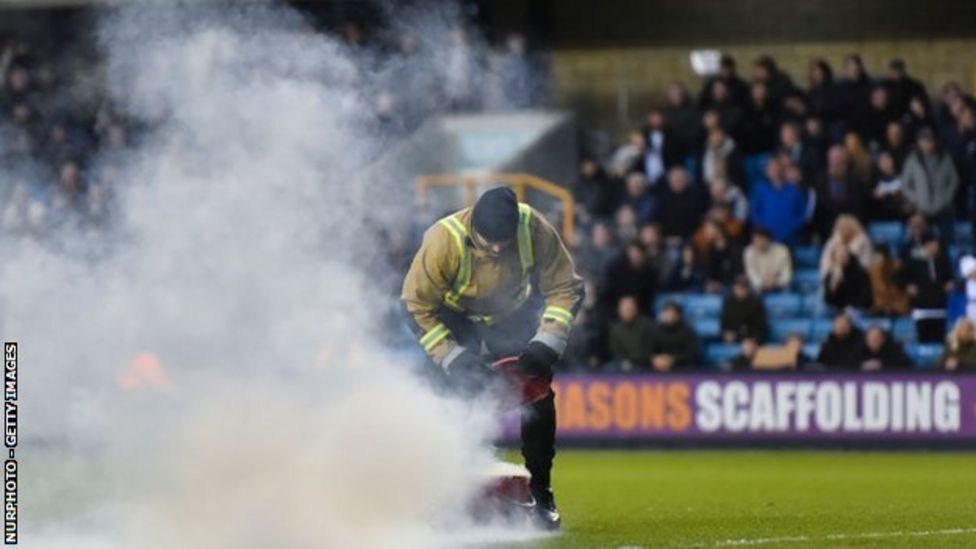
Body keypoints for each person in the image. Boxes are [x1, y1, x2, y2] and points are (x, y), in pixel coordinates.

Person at [401, 187, 583, 529]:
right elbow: (414, 306)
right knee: (446, 404)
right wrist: (452, 356)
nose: (498, 248)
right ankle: (444, 496)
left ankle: (541, 494)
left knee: (539, 400)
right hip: (454, 318)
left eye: (505, 241)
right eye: (489, 242)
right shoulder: (444, 240)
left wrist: (546, 343)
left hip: (511, 316)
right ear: (473, 228)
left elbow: (565, 288)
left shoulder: (535, 229)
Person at [901, 128, 960, 242]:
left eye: (929, 140)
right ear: (919, 143)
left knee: (947, 241)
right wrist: (916, 198)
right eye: (923, 140)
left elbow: (954, 180)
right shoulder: (913, 159)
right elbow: (905, 184)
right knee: (920, 241)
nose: (927, 143)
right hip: (921, 209)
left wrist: (946, 198)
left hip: (943, 209)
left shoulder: (944, 157)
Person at [896, 231, 953, 342]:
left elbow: (950, 277)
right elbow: (897, 277)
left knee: (940, 339)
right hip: (921, 305)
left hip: (939, 305)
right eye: (933, 244)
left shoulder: (942, 261)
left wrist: (950, 283)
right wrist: (907, 286)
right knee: (923, 338)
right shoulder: (913, 261)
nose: (936, 247)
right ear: (925, 245)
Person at [750, 156, 809, 245]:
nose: (774, 170)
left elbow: (802, 213)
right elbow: (754, 212)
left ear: (781, 169)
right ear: (766, 171)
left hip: (791, 239)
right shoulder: (760, 189)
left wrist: (791, 228)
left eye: (776, 167)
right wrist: (763, 230)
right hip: (767, 241)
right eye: (770, 168)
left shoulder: (793, 189)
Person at [600, 241, 657, 315]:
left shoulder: (650, 273)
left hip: (639, 307)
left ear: (643, 255)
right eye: (632, 253)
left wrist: (632, 303)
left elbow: (648, 296)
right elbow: (608, 291)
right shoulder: (616, 269)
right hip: (616, 305)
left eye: (637, 253)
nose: (634, 256)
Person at [648, 302, 699, 372]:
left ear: (678, 315)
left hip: (682, 368)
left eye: (673, 313)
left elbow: (691, 352)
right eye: (667, 312)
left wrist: (673, 360)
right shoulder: (656, 330)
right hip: (659, 367)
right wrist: (656, 359)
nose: (670, 315)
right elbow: (650, 350)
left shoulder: (687, 330)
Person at [657, 167, 705, 241]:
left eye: (680, 180)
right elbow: (660, 222)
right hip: (669, 240)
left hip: (692, 238)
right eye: (675, 180)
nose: (678, 182)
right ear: (670, 182)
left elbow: (699, 220)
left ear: (686, 181)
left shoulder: (696, 197)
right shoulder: (663, 199)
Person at [821, 242, 872, 311]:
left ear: (848, 255)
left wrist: (851, 307)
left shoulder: (860, 273)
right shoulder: (830, 275)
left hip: (856, 309)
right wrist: (834, 283)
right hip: (836, 310)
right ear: (834, 258)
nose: (842, 258)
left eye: (844, 255)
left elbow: (865, 297)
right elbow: (828, 299)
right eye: (839, 256)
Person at [608, 296, 654, 371]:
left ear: (636, 309)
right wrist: (625, 362)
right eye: (625, 309)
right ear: (619, 310)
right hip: (623, 363)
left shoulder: (647, 325)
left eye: (630, 309)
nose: (627, 311)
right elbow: (616, 351)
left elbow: (650, 348)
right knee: (609, 368)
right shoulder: (615, 329)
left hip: (643, 362)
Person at [743, 228, 792, 292]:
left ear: (769, 240)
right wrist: (762, 282)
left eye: (761, 239)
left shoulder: (782, 250)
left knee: (787, 286)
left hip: (779, 284)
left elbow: (787, 274)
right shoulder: (749, 251)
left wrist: (776, 281)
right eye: (755, 240)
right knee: (751, 288)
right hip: (758, 285)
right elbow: (751, 273)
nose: (758, 243)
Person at [720, 276, 768, 343]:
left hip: (751, 338)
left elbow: (761, 326)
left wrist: (753, 340)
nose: (740, 291)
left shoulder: (756, 303)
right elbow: (724, 322)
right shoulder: (728, 302)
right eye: (737, 288)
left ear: (748, 289)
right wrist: (726, 334)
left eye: (743, 288)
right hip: (733, 337)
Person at [868, 246, 910, 316]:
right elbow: (875, 293)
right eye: (875, 257)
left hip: (899, 306)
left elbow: (903, 290)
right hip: (881, 307)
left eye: (880, 257)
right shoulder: (873, 271)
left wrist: (894, 306)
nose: (878, 260)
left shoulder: (898, 267)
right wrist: (882, 305)